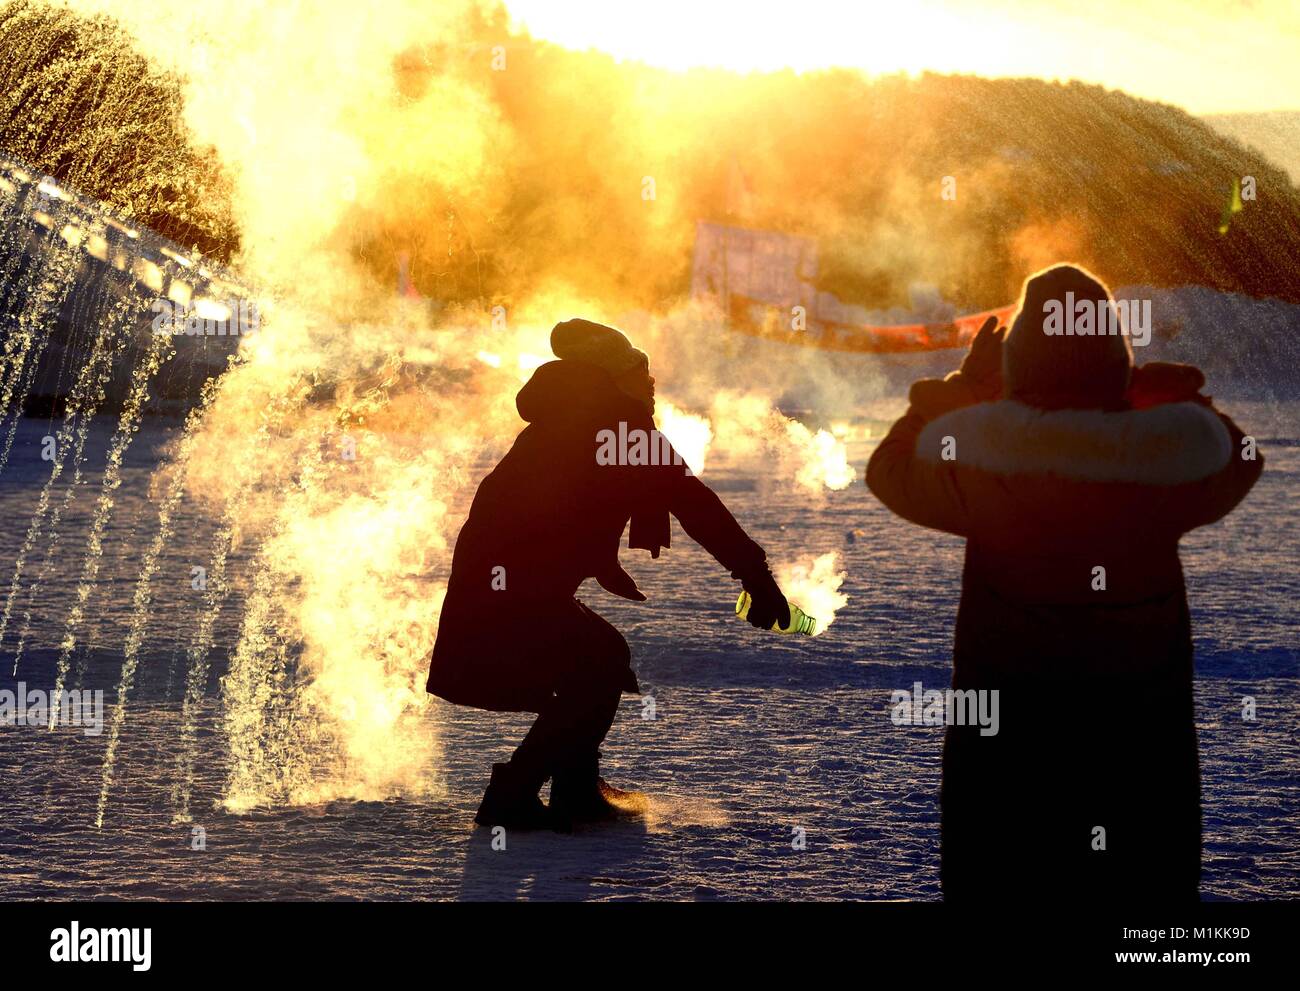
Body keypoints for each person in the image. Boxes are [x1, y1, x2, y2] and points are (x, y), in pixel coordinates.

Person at [866, 264, 1263, 901]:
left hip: (1004, 769)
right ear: (1118, 368)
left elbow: (889, 469)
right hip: (1138, 763)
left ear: (1019, 372)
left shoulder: (979, 470)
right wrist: (1178, 403)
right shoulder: (1162, 471)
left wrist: (963, 391)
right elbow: (1242, 456)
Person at [429, 318, 790, 831]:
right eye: (639, 371)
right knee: (595, 660)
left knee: (594, 658)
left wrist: (598, 559)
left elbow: (567, 500)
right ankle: (517, 790)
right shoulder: (615, 424)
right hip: (508, 583)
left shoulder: (572, 418)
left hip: (500, 577)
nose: (650, 383)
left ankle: (572, 788)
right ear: (611, 377)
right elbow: (693, 503)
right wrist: (755, 576)